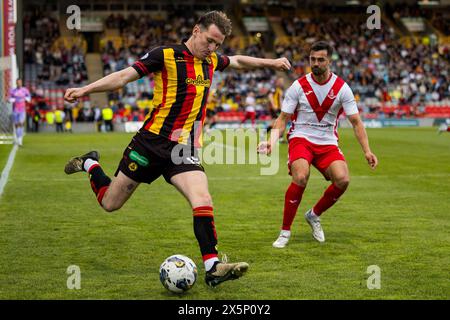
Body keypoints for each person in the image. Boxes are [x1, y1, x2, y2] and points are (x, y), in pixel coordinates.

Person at [63, 11, 291, 287]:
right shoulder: (166, 55)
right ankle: (90, 163)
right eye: (209, 41)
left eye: (217, 44)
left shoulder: (211, 61)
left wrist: (272, 62)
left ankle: (213, 266)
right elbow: (123, 76)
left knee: (203, 198)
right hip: (150, 143)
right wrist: (85, 90)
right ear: (196, 30)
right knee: (110, 203)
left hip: (184, 148)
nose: (212, 48)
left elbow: (240, 60)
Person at [258, 41, 378, 248]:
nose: (315, 63)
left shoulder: (342, 88)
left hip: (327, 142)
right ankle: (285, 232)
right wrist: (270, 141)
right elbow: (283, 118)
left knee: (343, 180)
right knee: (301, 176)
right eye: (312, 59)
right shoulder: (298, 86)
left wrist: (367, 151)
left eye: (320, 60)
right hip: (301, 138)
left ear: (329, 61)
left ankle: (314, 215)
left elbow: (356, 122)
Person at [8, 78, 31, 146]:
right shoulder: (13, 91)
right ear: (16, 83)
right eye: (17, 82)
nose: (19, 83)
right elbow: (9, 98)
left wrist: (27, 99)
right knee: (16, 125)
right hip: (15, 110)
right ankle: (18, 138)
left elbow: (29, 97)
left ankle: (20, 140)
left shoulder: (25, 90)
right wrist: (12, 100)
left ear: (21, 83)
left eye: (20, 82)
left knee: (21, 123)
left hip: (22, 110)